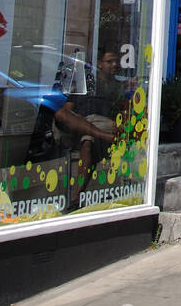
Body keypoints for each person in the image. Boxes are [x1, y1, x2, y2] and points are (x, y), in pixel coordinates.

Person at [54, 48, 133, 203]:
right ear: (100, 64)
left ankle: (76, 195)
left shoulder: (118, 87)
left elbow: (125, 112)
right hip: (81, 125)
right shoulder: (86, 85)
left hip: (102, 124)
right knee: (60, 114)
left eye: (116, 61)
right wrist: (77, 119)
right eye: (110, 61)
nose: (115, 65)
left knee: (88, 141)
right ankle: (103, 136)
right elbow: (67, 110)